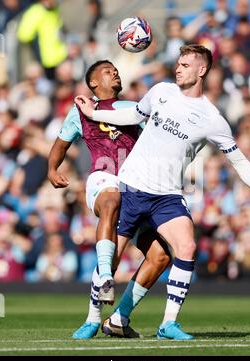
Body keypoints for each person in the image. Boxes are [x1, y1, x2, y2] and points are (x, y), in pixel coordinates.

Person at [75, 44, 250, 340]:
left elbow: (237, 158)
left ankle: (166, 324)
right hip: (133, 187)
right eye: (178, 64)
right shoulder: (161, 91)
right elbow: (134, 116)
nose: (178, 68)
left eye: (185, 65)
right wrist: (93, 111)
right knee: (111, 257)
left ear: (202, 70)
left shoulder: (212, 118)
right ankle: (92, 318)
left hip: (168, 195)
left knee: (186, 247)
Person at [48, 60, 171, 339]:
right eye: (107, 70)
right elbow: (60, 144)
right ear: (93, 83)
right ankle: (99, 296)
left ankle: (118, 318)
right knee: (110, 200)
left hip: (137, 186)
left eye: (115, 69)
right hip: (103, 178)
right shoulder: (80, 110)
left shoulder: (134, 109)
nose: (114, 72)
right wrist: (52, 169)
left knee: (160, 256)